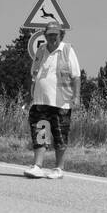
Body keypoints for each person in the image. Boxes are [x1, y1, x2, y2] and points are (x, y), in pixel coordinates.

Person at [25, 23, 80, 178]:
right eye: (50, 34)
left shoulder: (67, 50)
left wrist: (76, 97)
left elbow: (76, 76)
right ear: (45, 35)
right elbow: (34, 74)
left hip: (61, 101)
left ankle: (58, 168)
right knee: (39, 132)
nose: (52, 37)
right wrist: (29, 95)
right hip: (40, 100)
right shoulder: (41, 50)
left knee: (60, 134)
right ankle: (37, 166)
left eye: (55, 34)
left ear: (61, 35)